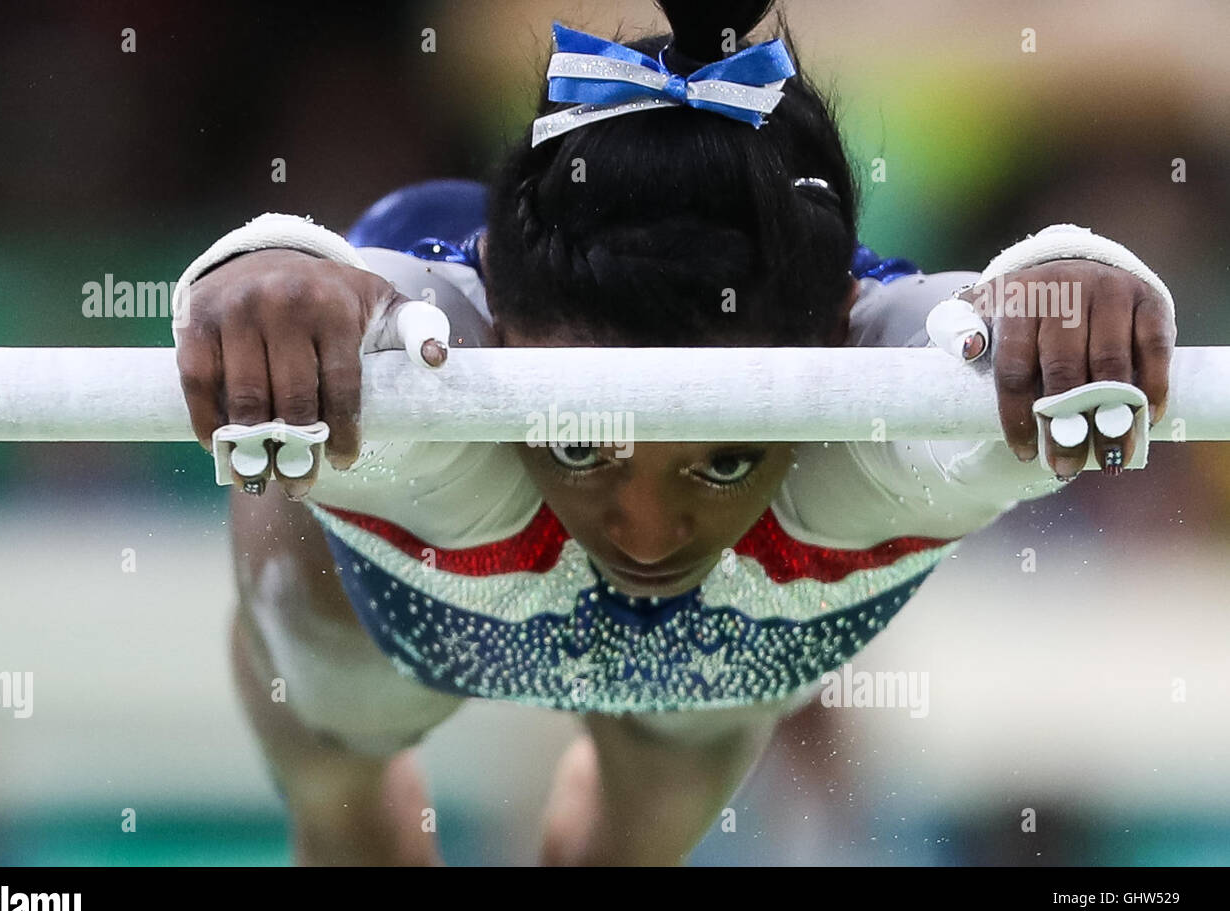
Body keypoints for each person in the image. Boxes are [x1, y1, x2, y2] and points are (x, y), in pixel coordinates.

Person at [169, 0, 1175, 865]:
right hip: (383, 592)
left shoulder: (886, 400)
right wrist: (263, 271)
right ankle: (345, 778)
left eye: (726, 456)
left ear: (832, 340)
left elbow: (974, 328)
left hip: (692, 658)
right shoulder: (429, 375)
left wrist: (1071, 281)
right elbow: (342, 295)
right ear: (499, 328)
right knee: (345, 785)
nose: (647, 533)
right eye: (577, 442)